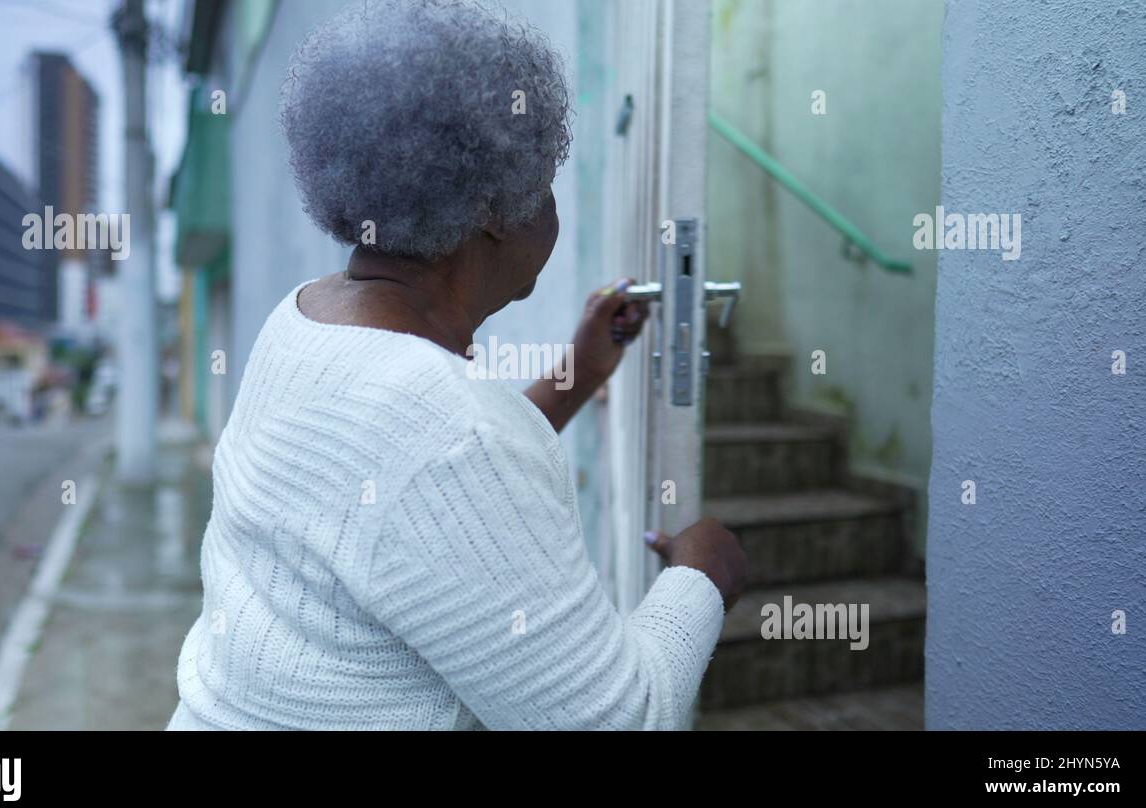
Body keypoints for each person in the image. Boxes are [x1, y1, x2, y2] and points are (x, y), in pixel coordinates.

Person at [168, 0, 745, 731]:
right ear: (496, 210)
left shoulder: (300, 320)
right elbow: (618, 719)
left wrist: (579, 372)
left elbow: (420, 494)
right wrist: (704, 574)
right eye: (545, 180)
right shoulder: (448, 435)